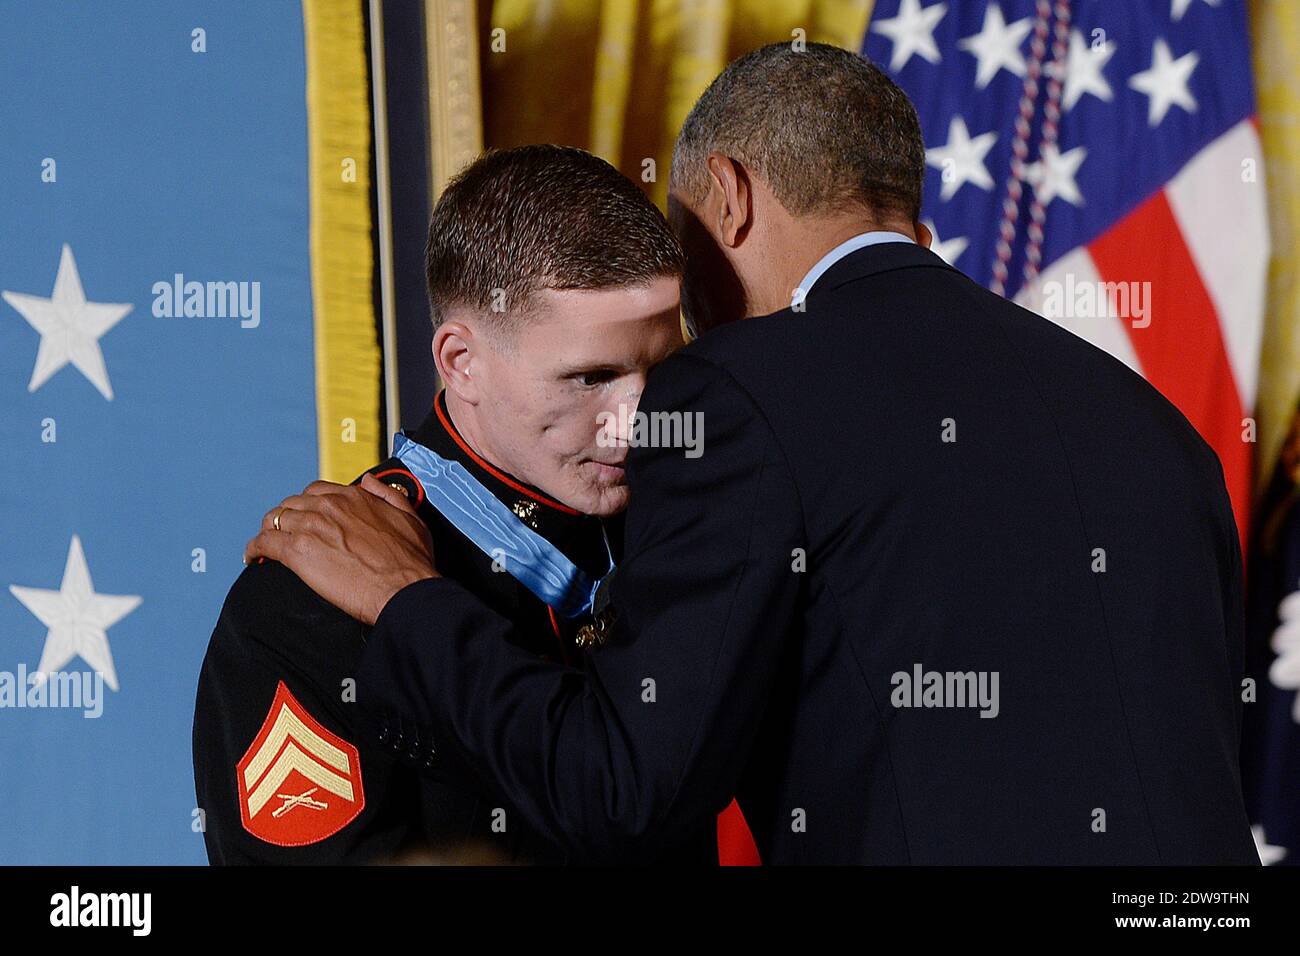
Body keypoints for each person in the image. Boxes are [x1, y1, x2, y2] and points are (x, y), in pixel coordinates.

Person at [247, 44, 1260, 864]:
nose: (642, 417)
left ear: (727, 194)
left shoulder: (746, 393)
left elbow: (624, 790)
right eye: (590, 376)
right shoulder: (1156, 427)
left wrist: (408, 600)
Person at [193, 144, 702, 864]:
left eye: (662, 368)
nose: (639, 420)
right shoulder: (299, 607)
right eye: (591, 377)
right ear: (462, 362)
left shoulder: (704, 525)